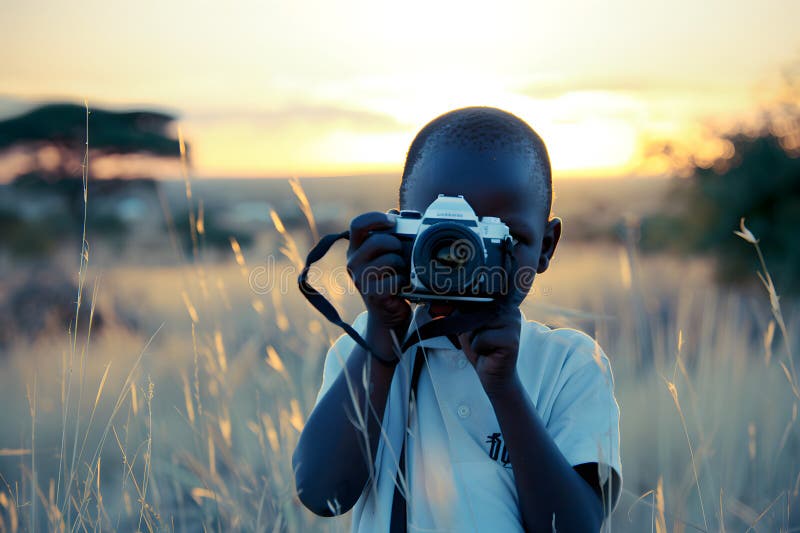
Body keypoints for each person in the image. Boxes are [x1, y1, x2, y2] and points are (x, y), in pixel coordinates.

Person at [292, 106, 622, 532]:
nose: (462, 260)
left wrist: (504, 389)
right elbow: (322, 495)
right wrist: (383, 336)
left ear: (545, 246)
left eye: (502, 239)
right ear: (401, 232)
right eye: (440, 236)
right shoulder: (364, 350)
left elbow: (576, 528)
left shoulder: (569, 365)